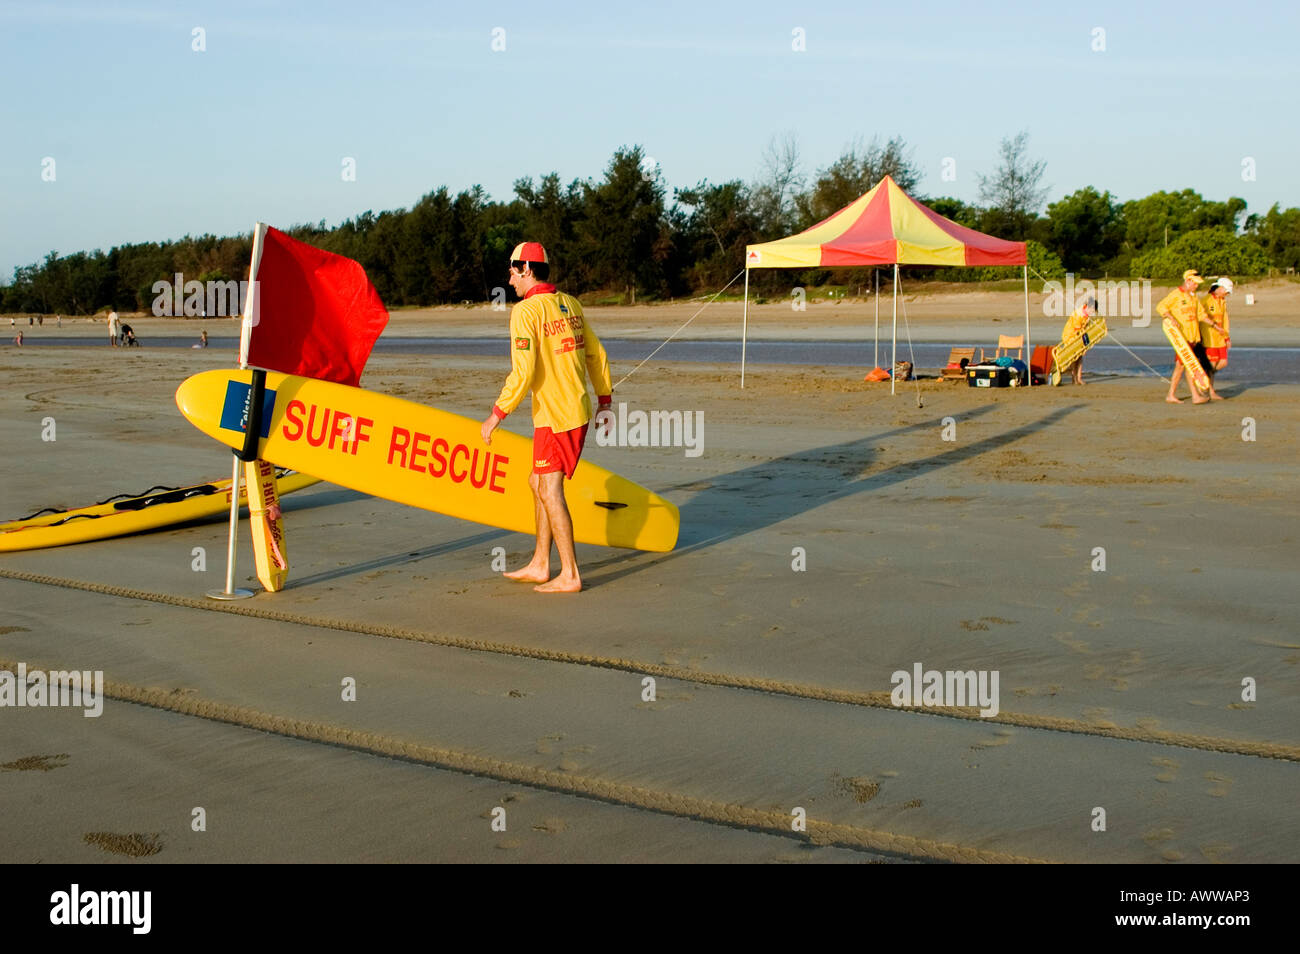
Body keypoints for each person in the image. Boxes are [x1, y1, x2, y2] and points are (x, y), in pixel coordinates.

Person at [480, 242, 612, 593]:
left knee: (549, 489)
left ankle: (570, 573)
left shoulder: (525, 312)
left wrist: (497, 414)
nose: (509, 279)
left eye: (512, 270)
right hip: (571, 410)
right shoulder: (570, 303)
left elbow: (522, 374)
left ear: (527, 269)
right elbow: (597, 354)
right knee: (536, 482)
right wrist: (604, 399)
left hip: (558, 415)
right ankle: (541, 563)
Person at [1156, 269, 1209, 404]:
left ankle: (1174, 395)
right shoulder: (1176, 294)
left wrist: (1215, 326)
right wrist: (1171, 318)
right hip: (1182, 339)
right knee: (1184, 366)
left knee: (1185, 367)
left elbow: (1201, 315)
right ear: (1188, 281)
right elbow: (1161, 306)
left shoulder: (1193, 297)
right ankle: (1192, 396)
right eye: (1195, 283)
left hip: (1193, 338)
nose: (1197, 286)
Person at [1200, 277, 1233, 399]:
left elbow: (1225, 320)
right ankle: (1210, 391)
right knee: (1212, 365)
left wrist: (1227, 337)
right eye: (1226, 291)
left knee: (1223, 362)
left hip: (1220, 338)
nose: (1227, 294)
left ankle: (1204, 379)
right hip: (1209, 338)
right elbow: (1199, 316)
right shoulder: (1206, 300)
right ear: (1220, 288)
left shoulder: (1222, 301)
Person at [1060, 294, 1096, 385]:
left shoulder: (1086, 315)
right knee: (1074, 357)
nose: (1093, 312)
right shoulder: (1078, 315)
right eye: (1092, 310)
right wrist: (1084, 345)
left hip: (1078, 336)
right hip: (1070, 336)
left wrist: (1085, 346)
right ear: (1088, 307)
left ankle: (1079, 378)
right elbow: (1079, 331)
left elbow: (1085, 331)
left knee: (1080, 357)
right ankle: (1073, 377)